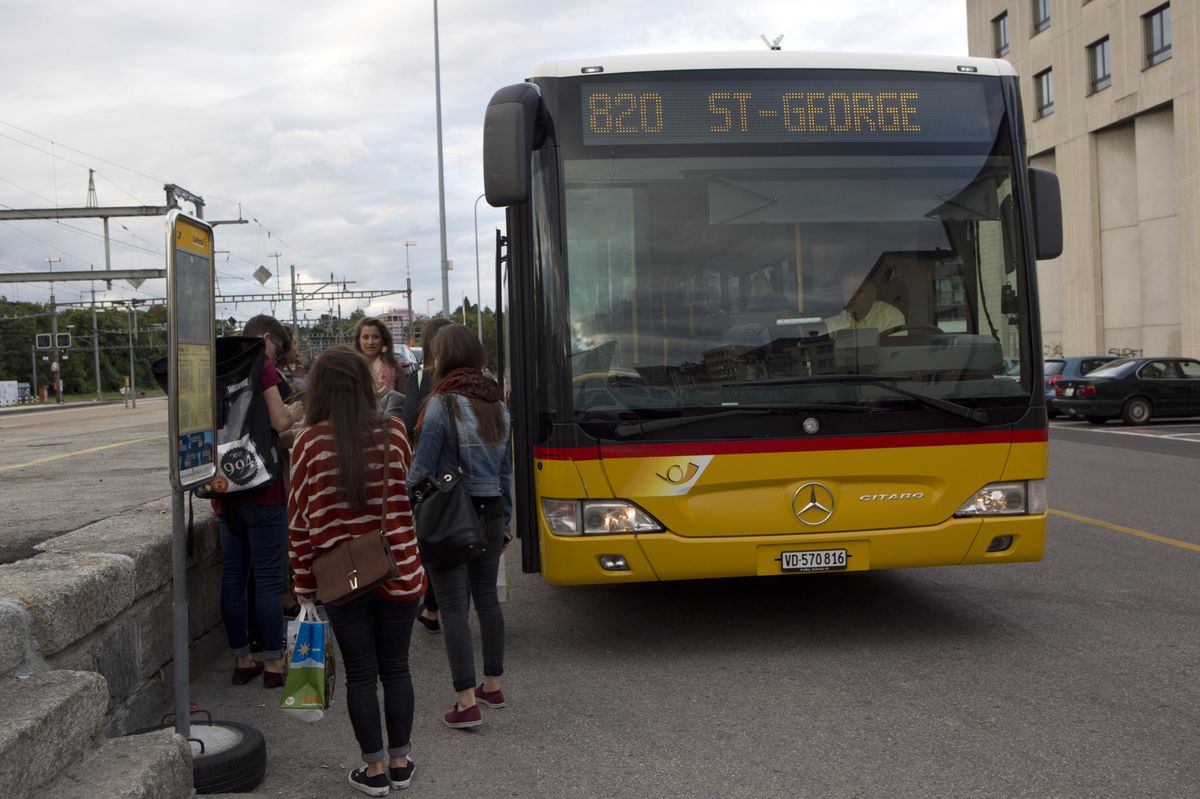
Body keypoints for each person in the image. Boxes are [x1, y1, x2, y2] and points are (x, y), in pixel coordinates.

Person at [288, 345, 425, 797]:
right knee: (397, 669)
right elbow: (405, 492)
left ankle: (374, 769)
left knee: (361, 674)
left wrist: (303, 584)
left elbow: (299, 521)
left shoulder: (308, 443)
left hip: (341, 579)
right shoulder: (395, 433)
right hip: (397, 568)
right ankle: (401, 763)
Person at [407, 324, 512, 729]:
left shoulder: (441, 404)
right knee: (487, 600)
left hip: (451, 515)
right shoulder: (498, 406)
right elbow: (506, 473)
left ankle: (466, 703)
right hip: (491, 513)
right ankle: (493, 686)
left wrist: (406, 503)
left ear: (444, 358)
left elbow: (421, 470)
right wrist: (505, 521)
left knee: (453, 608)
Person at [217, 314, 294, 689]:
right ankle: (274, 663)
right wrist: (298, 413)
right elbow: (280, 421)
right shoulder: (259, 364)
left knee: (233, 577)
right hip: (262, 488)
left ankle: (242, 659)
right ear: (265, 338)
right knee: (267, 577)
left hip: (223, 488)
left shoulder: (215, 363)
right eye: (277, 348)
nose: (276, 356)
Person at [400, 316, 453, 633]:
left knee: (431, 539)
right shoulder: (468, 378)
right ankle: (439, 607)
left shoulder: (420, 377)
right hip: (464, 470)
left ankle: (433, 607)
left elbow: (407, 423)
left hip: (430, 471)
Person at [823, 271, 905, 335]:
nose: (852, 296)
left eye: (859, 291)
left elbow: (895, 351)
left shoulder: (890, 316)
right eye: (847, 291)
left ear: (872, 293)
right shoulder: (840, 317)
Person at [354, 317, 402, 397]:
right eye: (365, 337)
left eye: (375, 337)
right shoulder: (350, 368)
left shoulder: (396, 369)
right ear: (358, 340)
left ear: (383, 340)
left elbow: (402, 401)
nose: (370, 342)